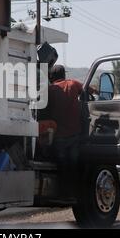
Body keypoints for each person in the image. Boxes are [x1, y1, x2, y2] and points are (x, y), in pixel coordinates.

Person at [42, 65, 94, 198]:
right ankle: (76, 193)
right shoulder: (73, 84)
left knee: (62, 166)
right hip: (75, 135)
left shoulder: (49, 90)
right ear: (64, 74)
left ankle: (63, 193)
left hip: (59, 137)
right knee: (74, 164)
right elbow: (89, 90)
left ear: (51, 77)